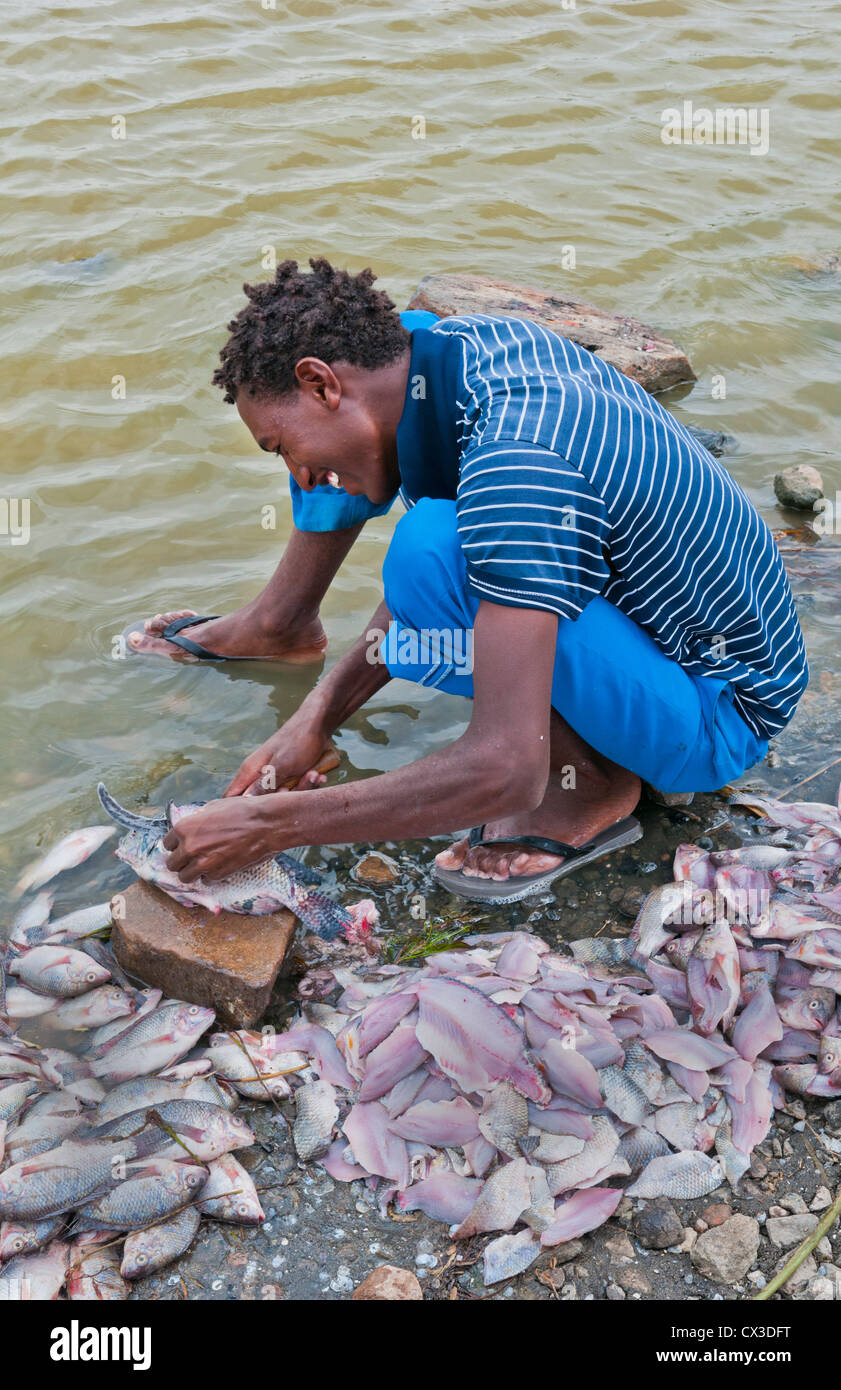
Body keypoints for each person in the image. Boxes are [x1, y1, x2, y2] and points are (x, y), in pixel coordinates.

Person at [146, 258, 807, 903]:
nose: (296, 474)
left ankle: (592, 787)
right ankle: (596, 743)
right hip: (688, 648)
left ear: (321, 384)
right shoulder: (454, 350)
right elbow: (453, 573)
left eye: (282, 446)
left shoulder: (516, 462)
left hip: (723, 712)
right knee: (433, 548)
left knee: (430, 549)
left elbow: (504, 768)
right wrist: (314, 719)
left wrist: (268, 824)